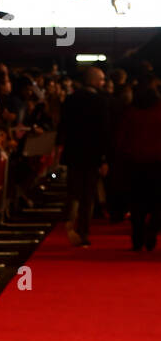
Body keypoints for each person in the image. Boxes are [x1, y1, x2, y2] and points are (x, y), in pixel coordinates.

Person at [57, 64, 111, 247]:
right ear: (95, 81)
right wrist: (104, 158)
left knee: (73, 192)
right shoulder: (101, 102)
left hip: (74, 153)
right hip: (92, 155)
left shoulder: (71, 99)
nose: (104, 82)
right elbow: (104, 132)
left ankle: (69, 224)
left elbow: (63, 126)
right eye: (102, 79)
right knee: (88, 196)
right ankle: (83, 232)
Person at [116, 78, 161, 251]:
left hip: (135, 164)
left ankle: (137, 237)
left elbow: (121, 139)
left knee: (137, 204)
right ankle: (152, 231)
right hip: (158, 164)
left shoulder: (130, 113)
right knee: (158, 203)